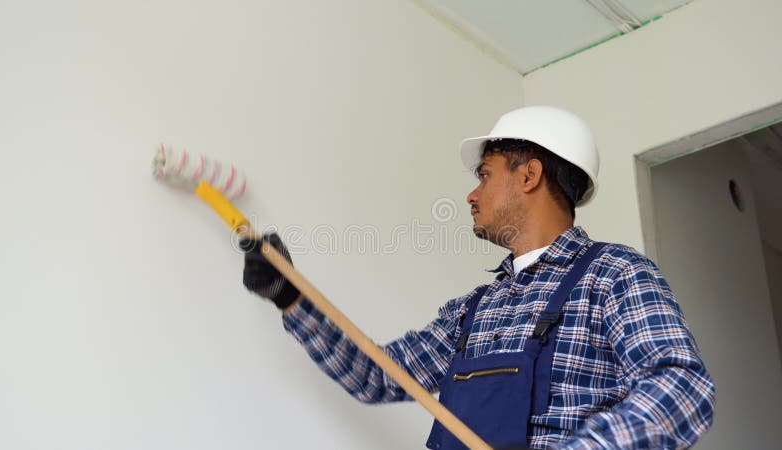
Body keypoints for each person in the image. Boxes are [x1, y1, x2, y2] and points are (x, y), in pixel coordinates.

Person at [240, 106, 716, 449]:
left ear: (529, 176)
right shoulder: (473, 311)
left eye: (485, 175)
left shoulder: (614, 275)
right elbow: (374, 376)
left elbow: (680, 388)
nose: (471, 194)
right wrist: (290, 298)